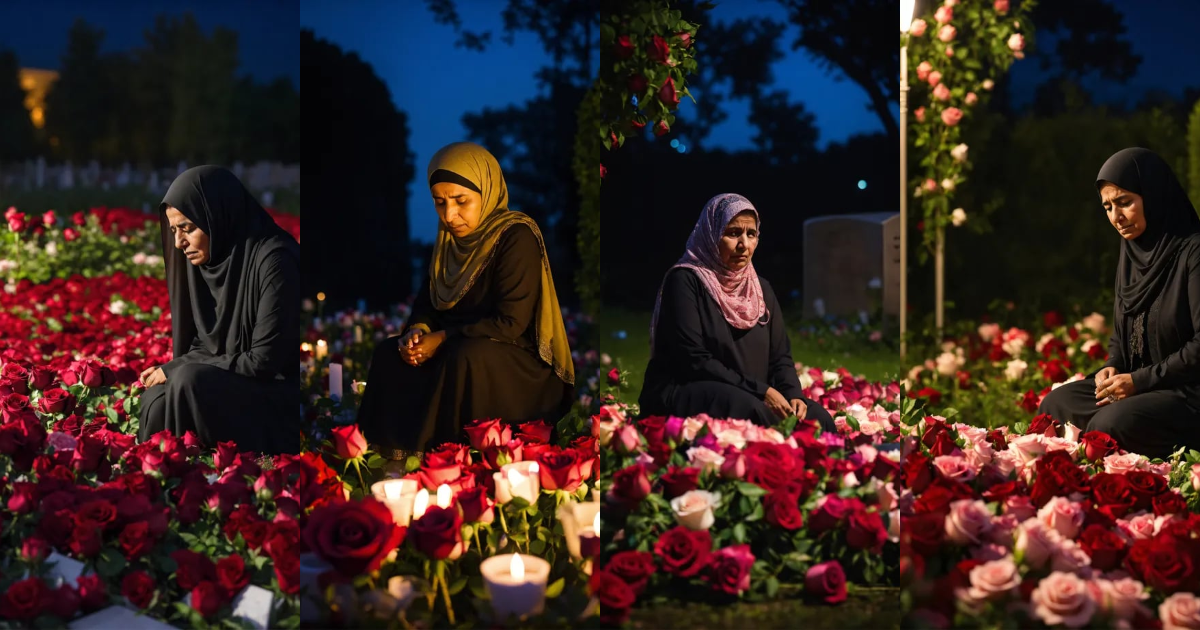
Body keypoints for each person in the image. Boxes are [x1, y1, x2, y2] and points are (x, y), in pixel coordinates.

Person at [356, 142, 575, 458]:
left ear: (486, 193)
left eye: (461, 201)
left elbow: (511, 323)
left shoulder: (516, 236)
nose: (449, 214)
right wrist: (417, 331)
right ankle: (394, 456)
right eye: (439, 202)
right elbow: (428, 301)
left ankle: (456, 457)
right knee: (390, 352)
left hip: (511, 358)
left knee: (466, 354)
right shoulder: (448, 244)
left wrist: (442, 338)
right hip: (456, 346)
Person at [1038, 147, 1200, 459]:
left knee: (1111, 423)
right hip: (1141, 386)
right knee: (1056, 405)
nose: (1116, 217)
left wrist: (1139, 381)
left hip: (1187, 391)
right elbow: (1122, 329)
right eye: (1108, 207)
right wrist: (1113, 365)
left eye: (1125, 202)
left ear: (1152, 195)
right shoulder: (1131, 253)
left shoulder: (1192, 252)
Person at [638, 193, 836, 432]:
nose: (744, 244)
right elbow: (693, 359)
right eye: (733, 233)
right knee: (754, 411)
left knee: (817, 418)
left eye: (751, 234)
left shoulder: (760, 288)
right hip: (688, 388)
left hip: (749, 392)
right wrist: (761, 391)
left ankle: (828, 466)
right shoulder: (685, 280)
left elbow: (780, 356)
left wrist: (793, 394)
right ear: (710, 234)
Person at [138, 166, 300, 453]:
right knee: (157, 399)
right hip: (233, 379)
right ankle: (158, 481)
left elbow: (263, 361)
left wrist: (180, 371)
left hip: (274, 394)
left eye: (187, 228)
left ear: (217, 216)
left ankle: (205, 476)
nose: (179, 243)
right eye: (174, 230)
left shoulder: (276, 261)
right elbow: (210, 344)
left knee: (189, 380)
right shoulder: (215, 259)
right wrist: (171, 368)